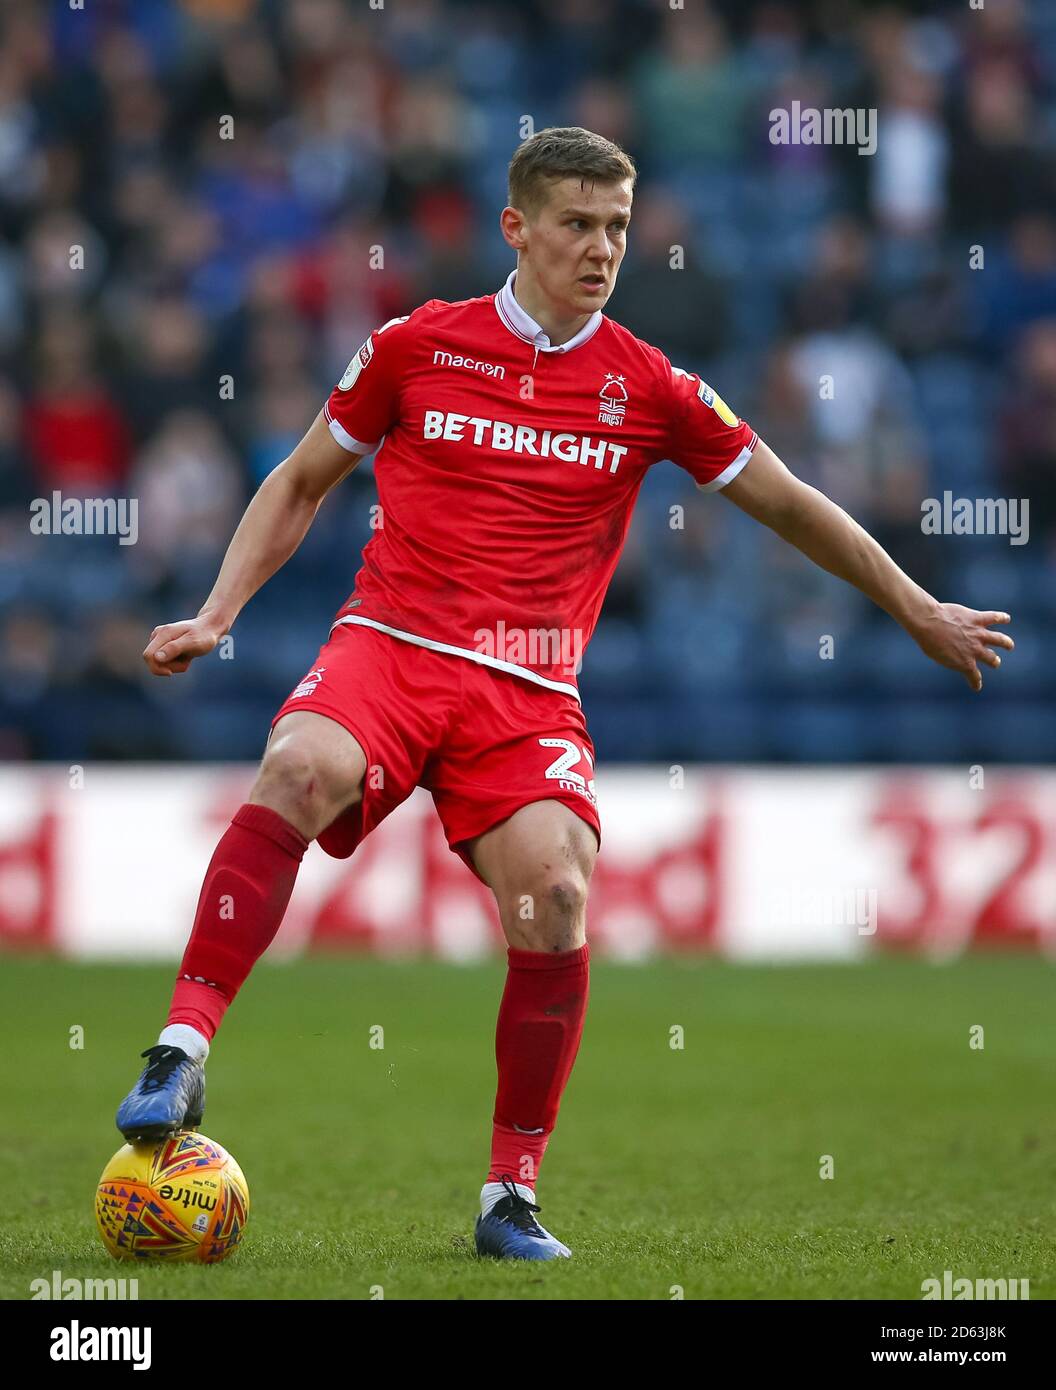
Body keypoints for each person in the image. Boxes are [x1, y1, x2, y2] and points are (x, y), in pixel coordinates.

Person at [115, 127, 1014, 1261]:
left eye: (619, 230)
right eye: (579, 225)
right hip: (392, 643)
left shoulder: (652, 387)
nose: (602, 250)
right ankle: (180, 1050)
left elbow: (789, 503)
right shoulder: (415, 346)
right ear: (518, 227)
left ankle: (509, 1196)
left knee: (556, 896)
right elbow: (299, 481)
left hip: (528, 687)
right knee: (298, 767)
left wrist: (913, 604)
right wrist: (218, 610)